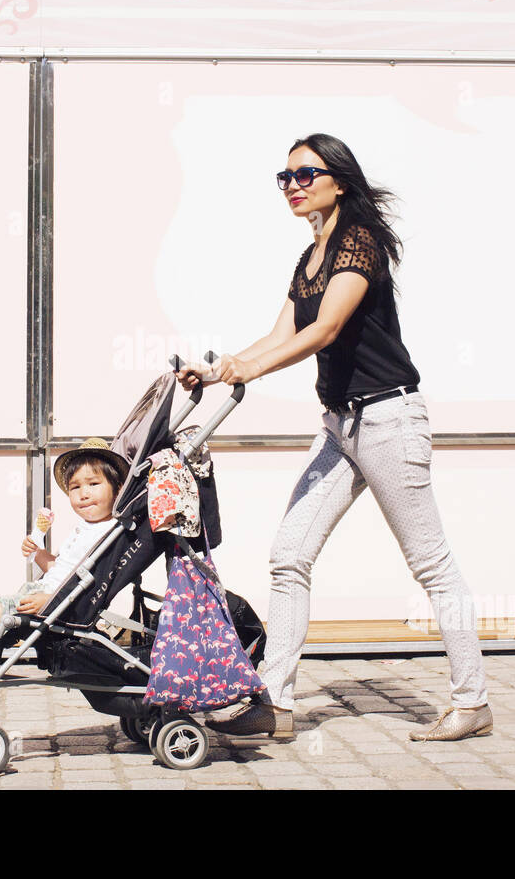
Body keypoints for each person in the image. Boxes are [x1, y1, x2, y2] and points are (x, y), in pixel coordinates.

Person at [175, 133, 492, 742]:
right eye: (285, 177)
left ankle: (471, 702)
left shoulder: (359, 242)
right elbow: (280, 333)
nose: (293, 185)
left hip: (390, 420)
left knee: (432, 565)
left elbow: (325, 329)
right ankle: (275, 702)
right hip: (341, 426)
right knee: (289, 555)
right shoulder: (309, 257)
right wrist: (220, 369)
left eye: (305, 173)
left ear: (338, 180)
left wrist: (251, 369)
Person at [0, 437, 128, 710]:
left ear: (117, 489)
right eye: (75, 487)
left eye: (94, 484)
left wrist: (50, 600)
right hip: (46, 595)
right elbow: (62, 569)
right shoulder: (84, 529)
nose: (84, 494)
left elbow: (90, 584)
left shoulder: (108, 533)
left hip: (56, 605)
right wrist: (38, 553)